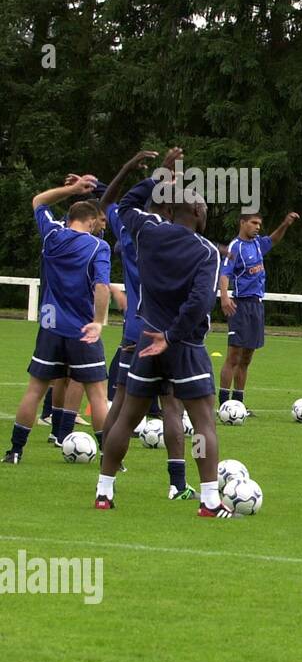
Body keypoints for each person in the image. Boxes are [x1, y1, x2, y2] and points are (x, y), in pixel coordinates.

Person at [94, 164, 233, 516]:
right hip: (182, 345)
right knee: (202, 424)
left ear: (169, 210)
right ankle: (209, 501)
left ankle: (104, 492)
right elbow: (200, 301)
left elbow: (123, 205)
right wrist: (171, 337)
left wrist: (156, 179)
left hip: (145, 339)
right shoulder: (206, 251)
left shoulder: (149, 231)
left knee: (126, 419)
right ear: (198, 212)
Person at [98, 149, 194, 497]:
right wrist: (174, 176)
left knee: (123, 406)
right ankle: (178, 484)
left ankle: (106, 475)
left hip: (134, 331)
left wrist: (133, 168)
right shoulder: (176, 237)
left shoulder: (129, 229)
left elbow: (108, 201)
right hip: (165, 332)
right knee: (173, 405)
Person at [4, 176, 111, 464]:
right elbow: (102, 287)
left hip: (50, 328)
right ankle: (108, 457)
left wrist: (72, 190)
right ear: (90, 221)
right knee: (97, 395)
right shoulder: (98, 248)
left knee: (35, 390)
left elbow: (38, 201)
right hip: (82, 331)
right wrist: (99, 321)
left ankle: (15, 451)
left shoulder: (52, 235)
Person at [218, 209, 300, 413]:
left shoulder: (257, 243)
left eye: (259, 224)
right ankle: (224, 403)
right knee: (234, 355)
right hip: (240, 305)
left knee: (247, 357)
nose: (257, 227)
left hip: (256, 305)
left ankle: (239, 402)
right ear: (242, 223)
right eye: (254, 223)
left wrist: (285, 224)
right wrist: (225, 297)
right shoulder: (235, 247)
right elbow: (225, 273)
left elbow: (273, 240)